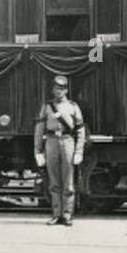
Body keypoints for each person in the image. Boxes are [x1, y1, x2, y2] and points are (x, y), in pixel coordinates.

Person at [34, 74, 87, 226]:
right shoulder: (47, 106)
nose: (59, 91)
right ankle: (56, 214)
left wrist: (79, 151)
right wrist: (37, 151)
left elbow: (80, 130)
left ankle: (67, 215)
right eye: (56, 88)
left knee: (68, 182)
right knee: (54, 182)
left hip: (67, 142)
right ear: (53, 90)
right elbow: (39, 129)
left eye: (62, 89)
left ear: (66, 90)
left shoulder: (73, 106)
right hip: (51, 142)